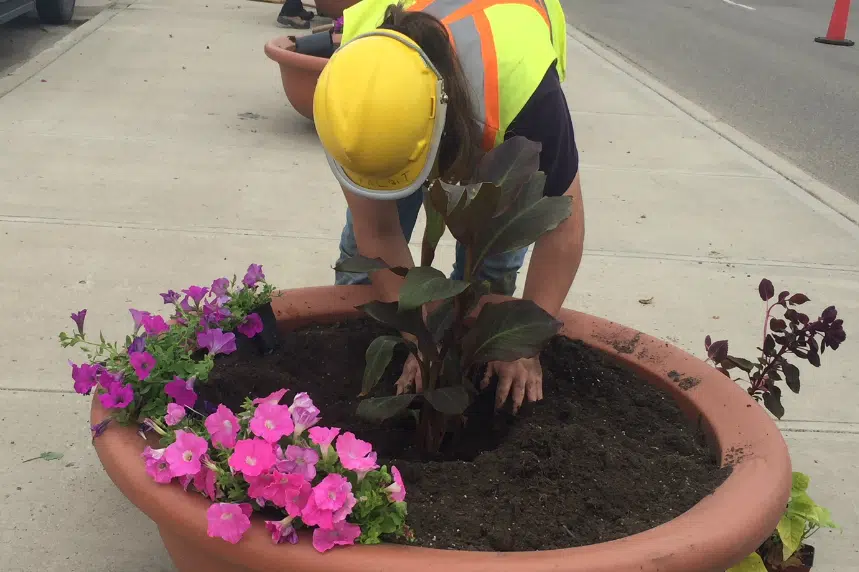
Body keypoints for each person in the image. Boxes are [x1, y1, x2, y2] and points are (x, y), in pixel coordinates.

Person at [313, 0, 585, 413]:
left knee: (490, 263)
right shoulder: (352, 88)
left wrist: (523, 344)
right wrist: (418, 339)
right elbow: (377, 231)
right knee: (361, 267)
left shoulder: (524, 98)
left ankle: (480, 355)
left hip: (496, 96)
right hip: (401, 114)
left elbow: (562, 229)